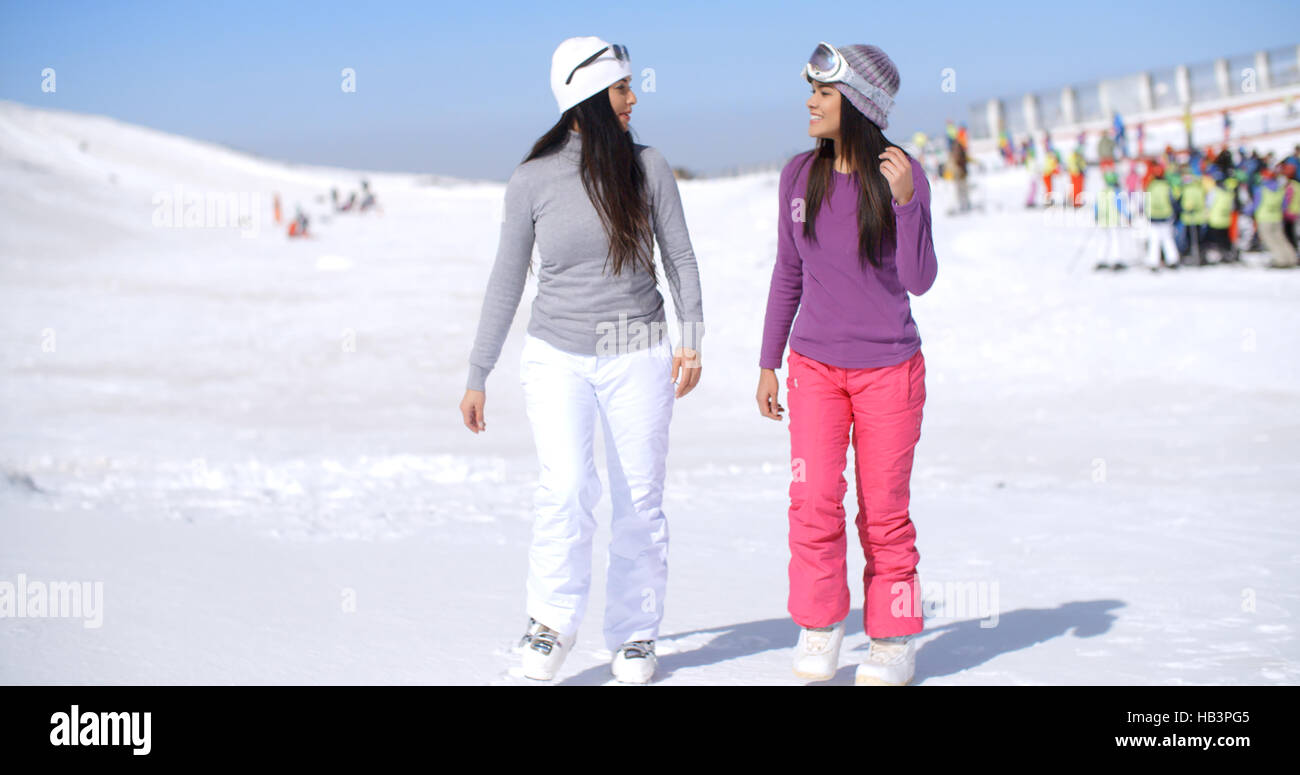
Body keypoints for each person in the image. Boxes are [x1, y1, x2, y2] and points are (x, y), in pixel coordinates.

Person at [460, 37, 705, 684]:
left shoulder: (647, 167)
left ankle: (634, 634)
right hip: (557, 357)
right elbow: (506, 279)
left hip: (639, 351)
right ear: (587, 98)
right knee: (566, 488)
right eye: (622, 88)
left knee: (640, 498)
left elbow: (679, 257)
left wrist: (693, 336)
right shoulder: (533, 178)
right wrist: (478, 370)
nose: (633, 99)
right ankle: (550, 621)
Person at [757, 42, 936, 687]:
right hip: (814, 369)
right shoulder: (797, 178)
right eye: (811, 89)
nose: (810, 101)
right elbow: (788, 272)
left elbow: (920, 280)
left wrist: (909, 201)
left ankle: (891, 637)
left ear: (857, 104)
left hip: (890, 371)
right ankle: (820, 622)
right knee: (812, 499)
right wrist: (768, 360)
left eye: (824, 92)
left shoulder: (898, 171)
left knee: (884, 510)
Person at [1254, 166, 1298, 269]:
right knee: (1281, 239)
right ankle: (1291, 258)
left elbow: (1256, 204)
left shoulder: (1261, 189)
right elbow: (1284, 205)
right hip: (1277, 218)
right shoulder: (1279, 189)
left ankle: (1280, 260)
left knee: (1270, 240)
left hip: (1264, 218)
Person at [1143, 163, 1180, 272]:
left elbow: (1146, 201)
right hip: (1165, 216)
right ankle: (1172, 260)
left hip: (1153, 217)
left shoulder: (1151, 186)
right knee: (1167, 239)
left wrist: (1147, 213)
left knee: (1154, 241)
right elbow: (1172, 200)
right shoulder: (1167, 187)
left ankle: (1153, 262)